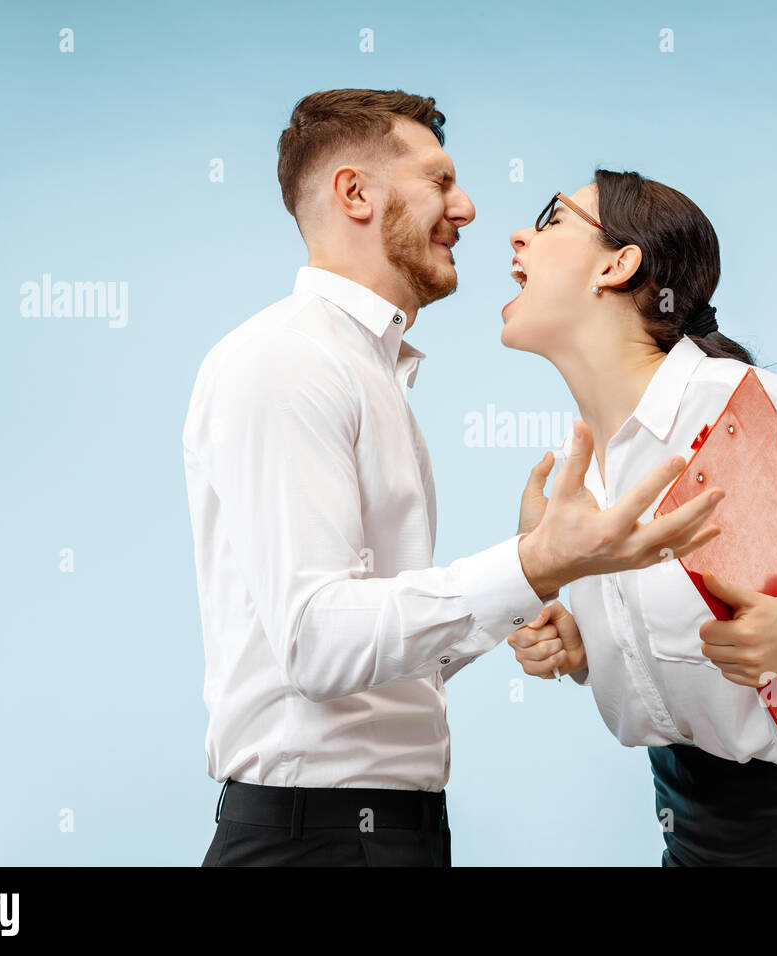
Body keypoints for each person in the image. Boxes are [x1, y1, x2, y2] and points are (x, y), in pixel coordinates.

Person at [182, 92, 725, 867]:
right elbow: (316, 643)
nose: (465, 207)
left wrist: (531, 570)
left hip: (385, 835)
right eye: (439, 181)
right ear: (356, 194)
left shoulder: (370, 374)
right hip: (317, 843)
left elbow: (386, 658)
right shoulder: (288, 362)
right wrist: (537, 564)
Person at [504, 171, 777, 866]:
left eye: (552, 219)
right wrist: (587, 646)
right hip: (688, 834)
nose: (520, 235)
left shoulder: (740, 411)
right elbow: (680, 657)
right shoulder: (587, 463)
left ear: (618, 265)